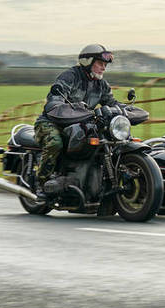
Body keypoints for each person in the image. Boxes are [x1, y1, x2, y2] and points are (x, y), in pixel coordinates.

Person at [35, 43, 119, 196]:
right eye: (100, 63)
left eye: (105, 64)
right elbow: (55, 99)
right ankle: (41, 183)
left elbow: (111, 103)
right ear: (88, 62)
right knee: (55, 143)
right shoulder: (70, 76)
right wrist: (62, 105)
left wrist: (125, 109)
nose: (103, 68)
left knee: (112, 140)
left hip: (82, 125)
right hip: (53, 122)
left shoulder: (101, 84)